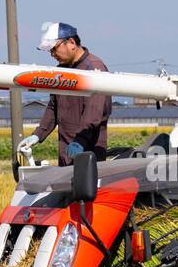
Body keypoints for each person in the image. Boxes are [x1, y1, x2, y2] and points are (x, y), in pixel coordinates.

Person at [19, 22, 112, 166]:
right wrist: (38, 135)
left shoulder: (94, 68)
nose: (52, 55)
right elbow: (53, 106)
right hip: (66, 151)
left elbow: (94, 113)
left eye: (54, 49)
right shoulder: (62, 71)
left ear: (71, 43)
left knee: (86, 188)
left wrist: (80, 141)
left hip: (87, 152)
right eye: (50, 51)